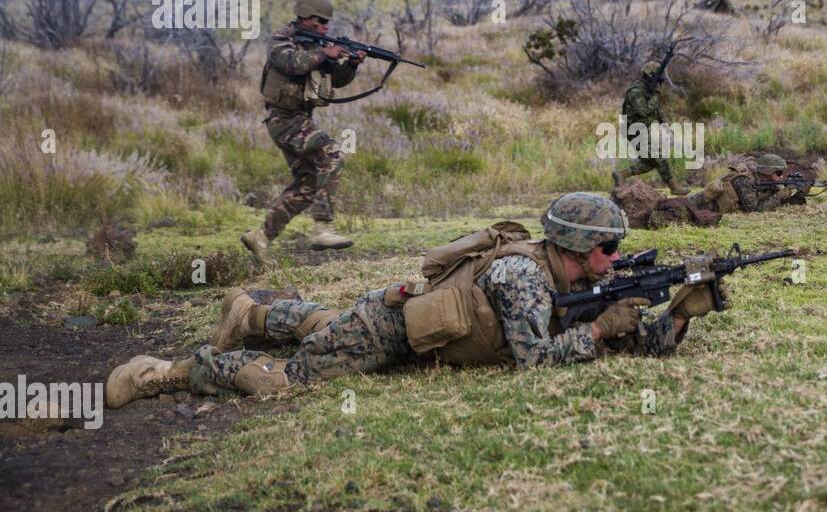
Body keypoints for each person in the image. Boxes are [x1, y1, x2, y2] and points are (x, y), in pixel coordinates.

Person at [106, 193, 728, 408]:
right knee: (290, 378)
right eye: (608, 250)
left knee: (326, 323)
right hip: (392, 330)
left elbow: (631, 336)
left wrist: (676, 316)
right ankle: (168, 372)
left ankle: (253, 312)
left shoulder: (572, 282)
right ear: (574, 247)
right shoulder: (523, 279)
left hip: (420, 329)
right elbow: (536, 361)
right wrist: (596, 333)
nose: (615, 262)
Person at [240, 0, 365, 262]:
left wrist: (351, 63)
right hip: (282, 119)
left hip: (300, 120)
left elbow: (338, 79)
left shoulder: (318, 44)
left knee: (308, 183)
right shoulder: (281, 39)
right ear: (306, 17)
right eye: (321, 22)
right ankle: (322, 228)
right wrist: (325, 52)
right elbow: (291, 63)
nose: (325, 27)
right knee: (333, 154)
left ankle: (260, 236)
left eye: (326, 23)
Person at [612, 61, 687, 195]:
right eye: (655, 79)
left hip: (642, 129)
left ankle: (621, 174)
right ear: (648, 77)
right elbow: (643, 112)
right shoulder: (635, 92)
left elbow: (656, 111)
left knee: (649, 163)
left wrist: (664, 123)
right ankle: (674, 187)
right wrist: (654, 97)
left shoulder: (649, 91)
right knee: (659, 157)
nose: (658, 83)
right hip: (633, 130)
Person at [688, 153, 806, 215]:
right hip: (700, 206)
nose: (781, 176)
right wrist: (779, 196)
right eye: (779, 173)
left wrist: (799, 192)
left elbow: (775, 199)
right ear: (767, 172)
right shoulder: (744, 180)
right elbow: (754, 210)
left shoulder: (763, 180)